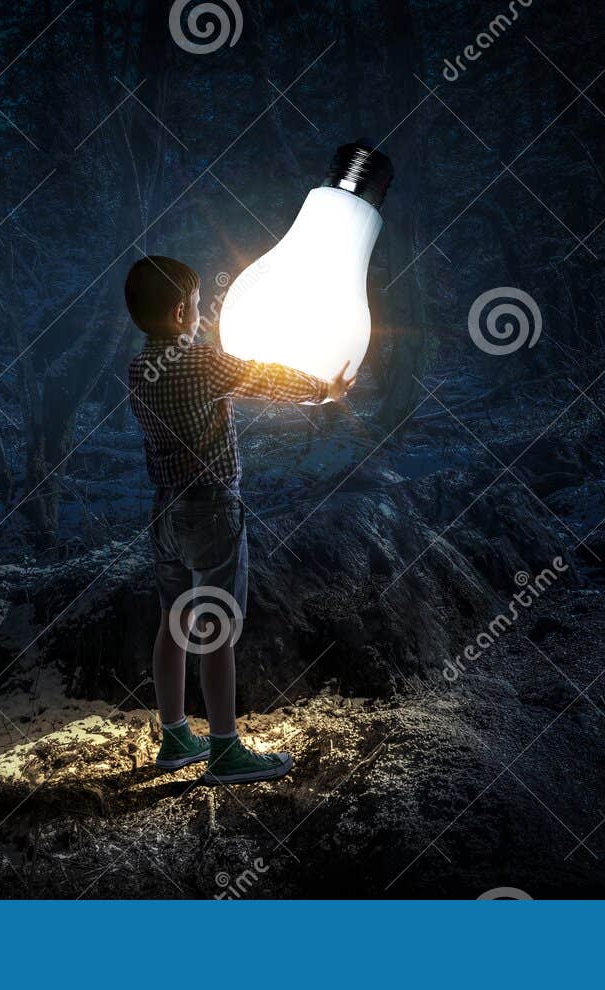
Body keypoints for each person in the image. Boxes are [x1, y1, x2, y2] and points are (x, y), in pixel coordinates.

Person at [124, 255, 355, 784]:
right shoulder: (202, 362)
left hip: (165, 510)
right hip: (211, 510)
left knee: (173, 623)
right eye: (200, 304)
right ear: (183, 310)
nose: (205, 313)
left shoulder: (140, 368)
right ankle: (226, 750)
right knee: (217, 629)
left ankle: (176, 735)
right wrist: (326, 389)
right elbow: (266, 377)